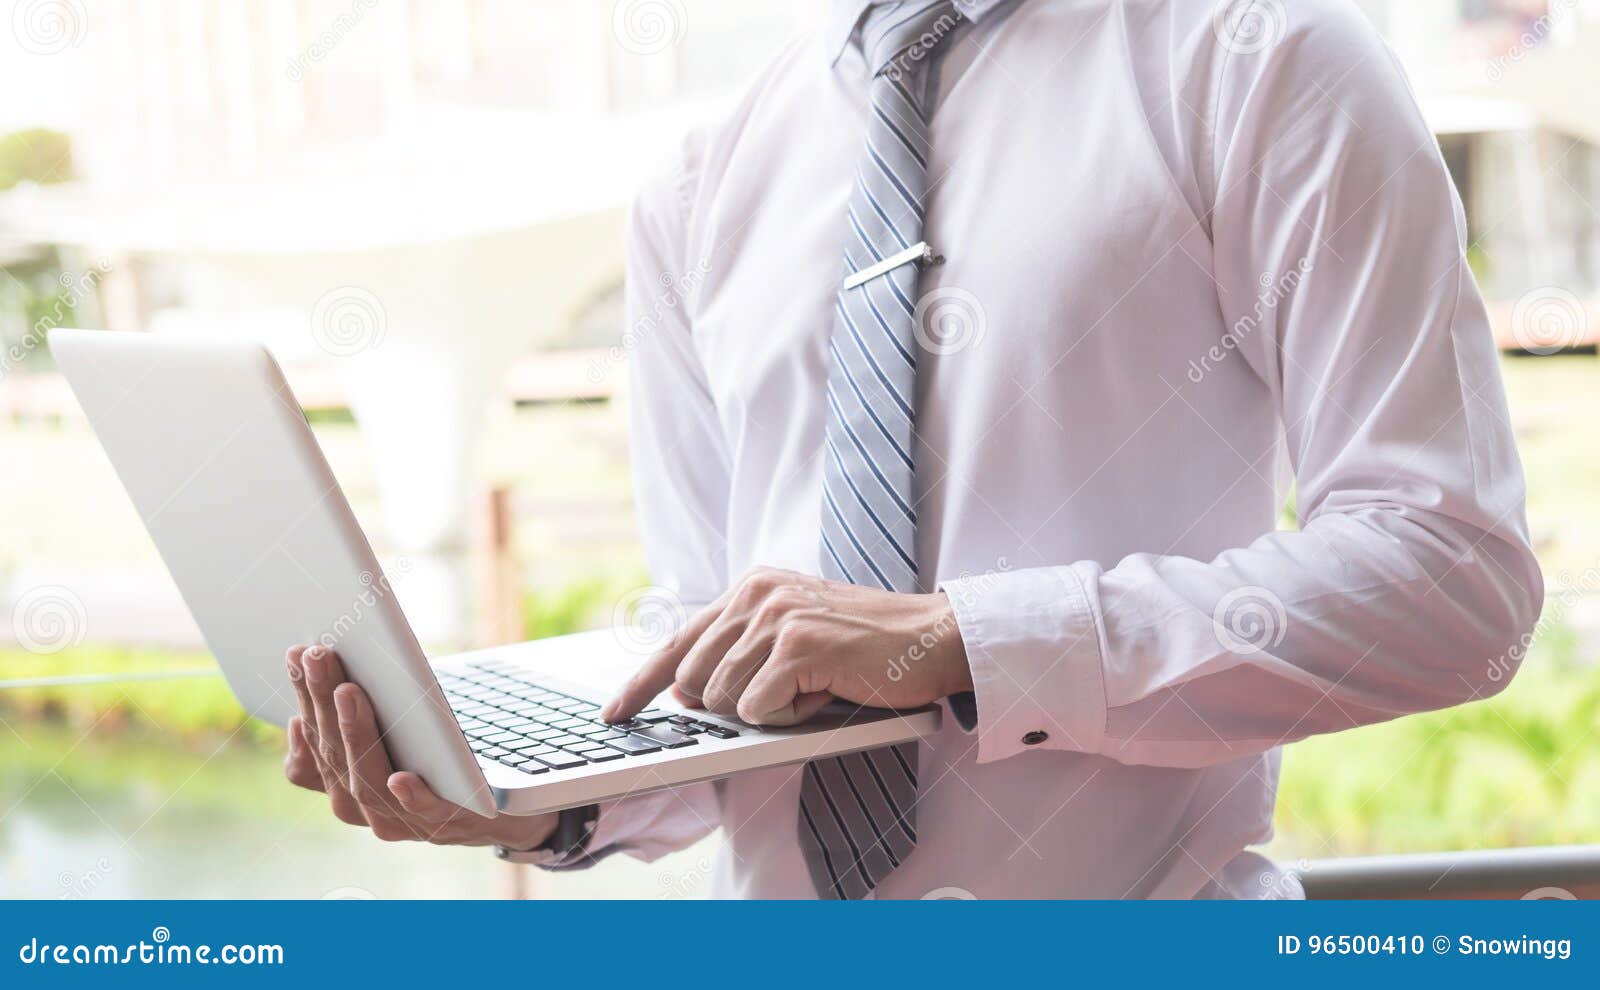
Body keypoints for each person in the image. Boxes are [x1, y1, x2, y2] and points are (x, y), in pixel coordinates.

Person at [282, 0, 1543, 898]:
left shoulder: (1260, 58)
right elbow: (709, 640)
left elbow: (1451, 583)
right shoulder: (699, 179)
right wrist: (534, 798)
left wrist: (957, 641)